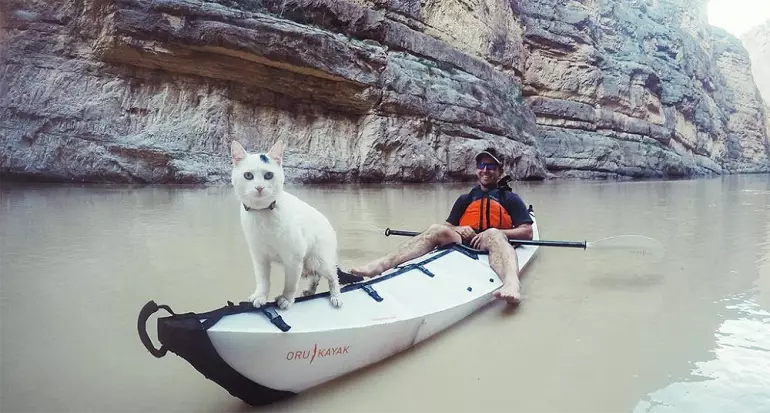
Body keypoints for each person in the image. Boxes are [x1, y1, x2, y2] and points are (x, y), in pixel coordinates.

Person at [349, 147, 534, 305]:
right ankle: (380, 265)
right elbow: (448, 226)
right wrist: (458, 229)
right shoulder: (466, 199)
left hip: (491, 240)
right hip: (466, 240)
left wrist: (496, 232)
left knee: (493, 233)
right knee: (436, 228)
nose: (485, 170)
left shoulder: (509, 198)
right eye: (481, 166)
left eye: (491, 166)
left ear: (499, 171)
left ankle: (511, 283)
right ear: (477, 170)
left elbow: (527, 232)